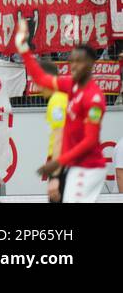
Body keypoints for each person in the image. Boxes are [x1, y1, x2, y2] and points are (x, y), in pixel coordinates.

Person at [16, 19, 107, 204]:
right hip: (74, 165)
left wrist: (57, 165)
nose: (73, 65)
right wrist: (23, 47)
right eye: (71, 61)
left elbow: (90, 141)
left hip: (88, 167)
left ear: (91, 65)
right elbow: (42, 77)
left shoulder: (94, 99)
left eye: (79, 62)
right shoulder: (70, 85)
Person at [30, 58, 70, 203]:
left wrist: (55, 177)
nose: (36, 87)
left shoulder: (57, 100)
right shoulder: (63, 96)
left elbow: (60, 139)